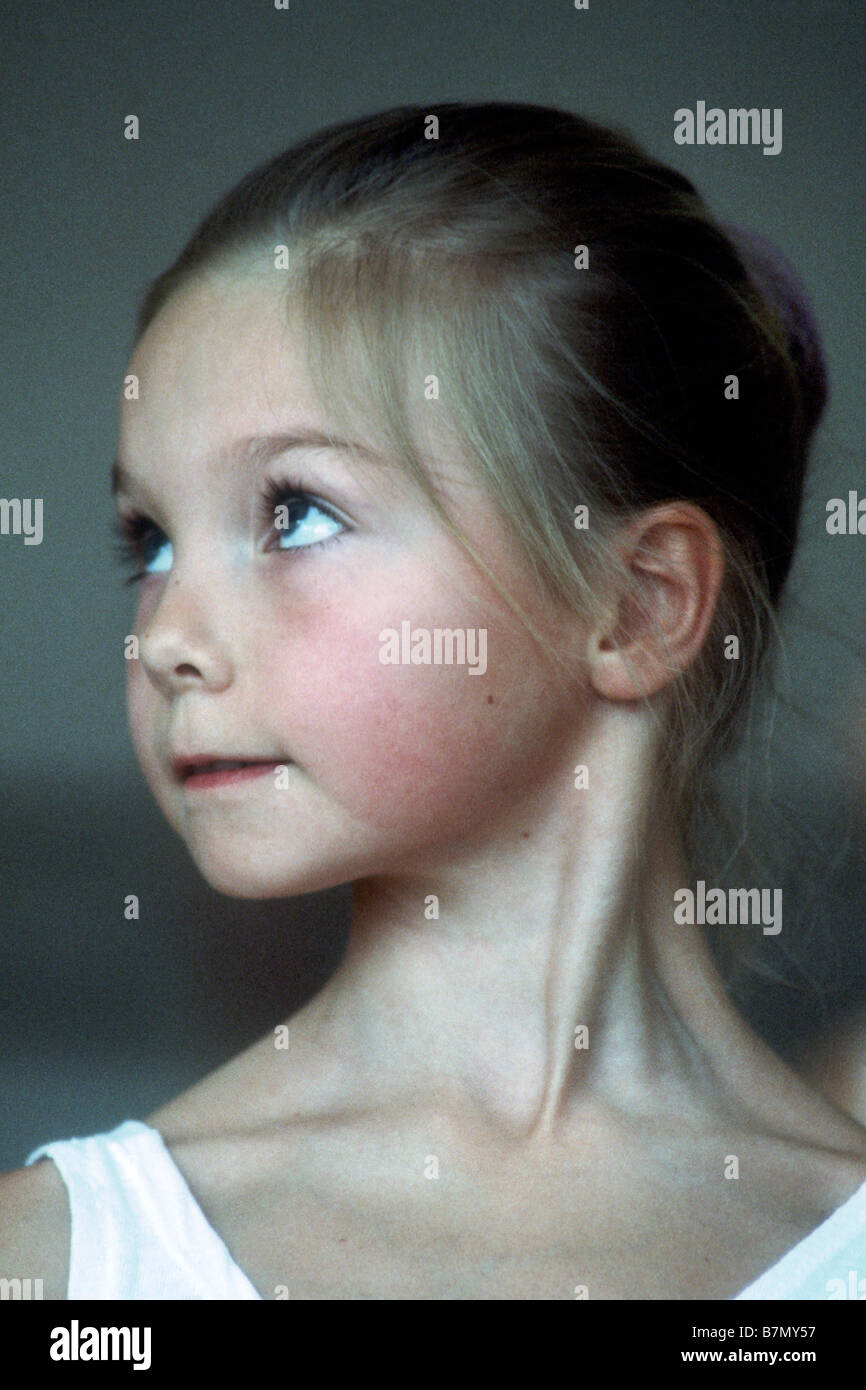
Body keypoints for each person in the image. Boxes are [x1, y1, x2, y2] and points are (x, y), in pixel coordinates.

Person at [3, 100, 865, 1300]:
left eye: (294, 512)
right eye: (148, 541)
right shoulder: (57, 1261)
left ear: (635, 605)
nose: (168, 641)